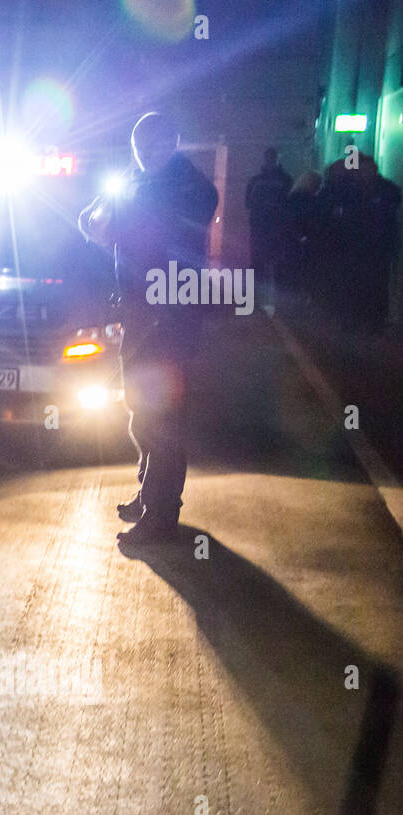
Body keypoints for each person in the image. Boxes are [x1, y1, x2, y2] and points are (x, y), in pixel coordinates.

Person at [79, 112, 218, 544]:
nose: (146, 152)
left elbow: (147, 229)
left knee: (163, 419)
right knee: (141, 414)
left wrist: (108, 226)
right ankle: (147, 493)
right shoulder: (135, 178)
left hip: (171, 317)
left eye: (156, 144)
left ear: (174, 142)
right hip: (141, 315)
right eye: (140, 145)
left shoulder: (191, 186)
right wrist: (93, 220)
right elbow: (96, 220)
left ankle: (161, 515)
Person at [319, 153, 400, 335]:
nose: (363, 174)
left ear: (374, 169)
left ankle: (375, 321)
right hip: (354, 245)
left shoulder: (387, 190)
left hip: (378, 248)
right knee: (354, 282)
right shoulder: (351, 190)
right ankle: (353, 319)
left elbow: (389, 213)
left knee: (376, 284)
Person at [244, 147, 292, 306]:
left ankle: (258, 297)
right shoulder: (284, 180)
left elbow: (249, 202)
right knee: (265, 262)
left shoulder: (259, 180)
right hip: (267, 226)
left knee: (267, 262)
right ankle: (261, 297)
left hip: (269, 226)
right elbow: (249, 202)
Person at [281, 170, 324, 322]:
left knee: (295, 277)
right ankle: (296, 310)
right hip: (300, 244)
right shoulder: (305, 200)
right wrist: (302, 237)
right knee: (300, 276)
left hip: (296, 243)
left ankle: (293, 310)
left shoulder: (294, 198)